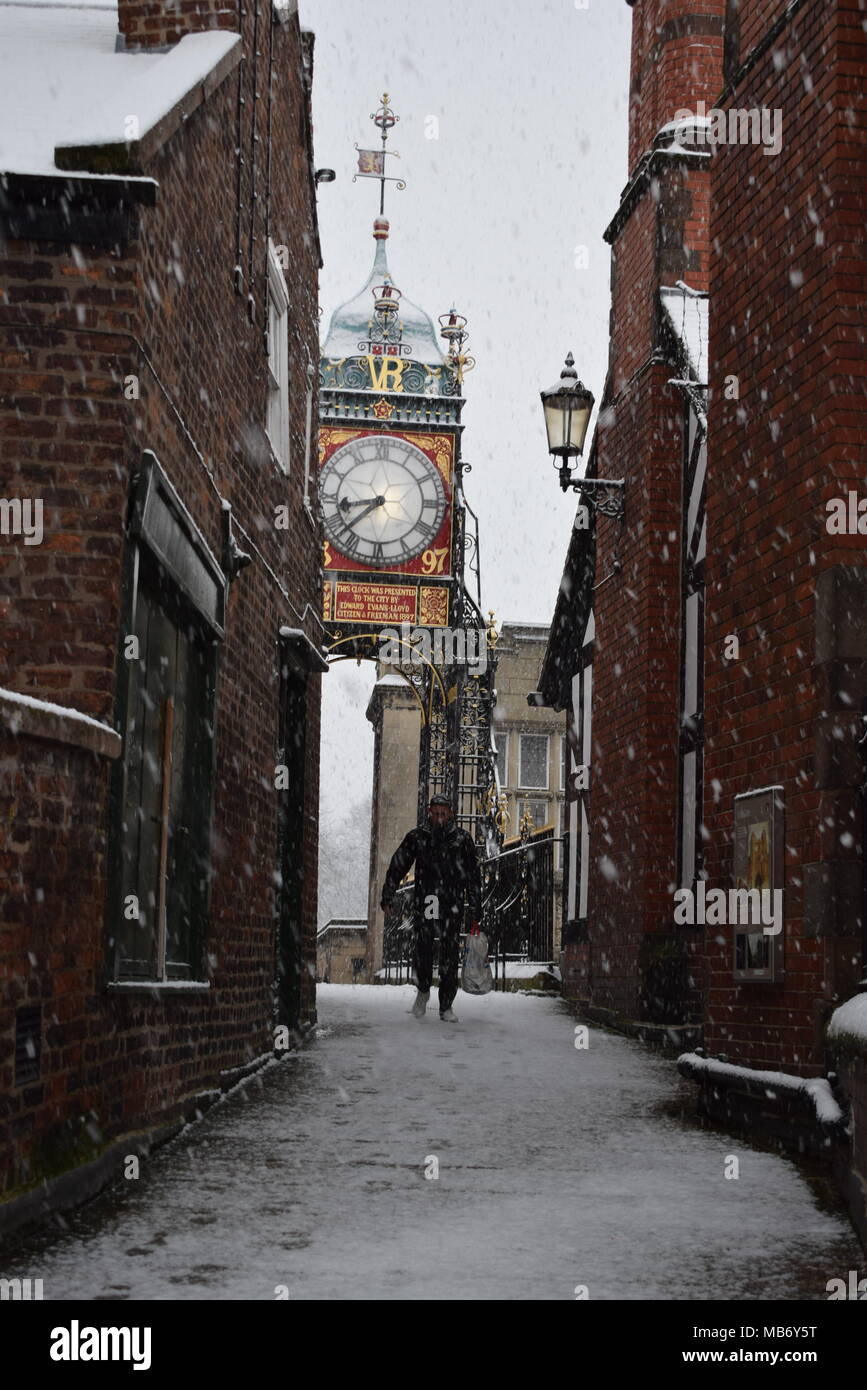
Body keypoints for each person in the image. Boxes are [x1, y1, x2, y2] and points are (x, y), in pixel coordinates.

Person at [380, 795, 482, 1022]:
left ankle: (446, 1004)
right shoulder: (418, 837)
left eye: (443, 814)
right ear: (429, 811)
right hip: (427, 900)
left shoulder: (462, 840)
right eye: (435, 813)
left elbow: (474, 877)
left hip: (451, 901)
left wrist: (476, 909)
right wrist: (388, 895)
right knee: (423, 948)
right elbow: (398, 865)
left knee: (449, 952)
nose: (439, 818)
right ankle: (423, 991)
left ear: (451, 813)